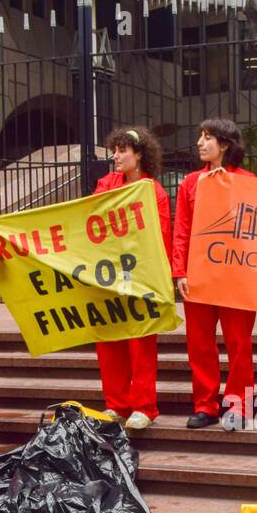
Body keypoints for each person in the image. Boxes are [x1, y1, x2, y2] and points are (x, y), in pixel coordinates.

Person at [171, 118, 256, 430]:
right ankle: (205, 405)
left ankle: (239, 405)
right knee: (200, 344)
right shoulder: (190, 183)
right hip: (199, 276)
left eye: (207, 138)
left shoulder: (246, 181)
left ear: (225, 145)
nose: (199, 143)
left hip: (237, 278)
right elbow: (181, 229)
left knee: (239, 343)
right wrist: (180, 271)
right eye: (200, 136)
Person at [92, 127, 170, 430]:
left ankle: (144, 407)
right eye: (115, 150)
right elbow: (90, 219)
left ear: (139, 155)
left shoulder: (155, 192)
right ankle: (116, 405)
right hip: (108, 276)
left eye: (123, 150)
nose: (116, 156)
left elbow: (160, 237)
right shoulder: (106, 184)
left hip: (139, 277)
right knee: (109, 343)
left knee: (140, 344)